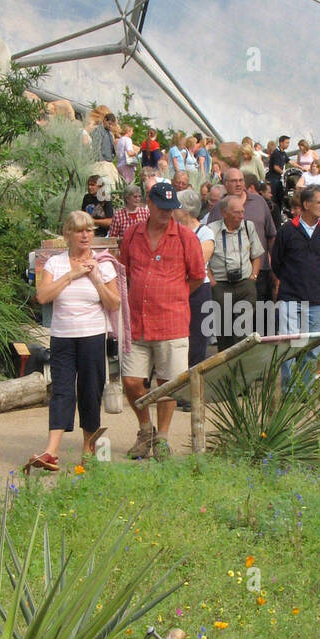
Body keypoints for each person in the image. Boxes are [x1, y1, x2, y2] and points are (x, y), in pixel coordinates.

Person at [28, 210, 121, 471]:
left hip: (92, 335)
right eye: (79, 230)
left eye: (89, 230)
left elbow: (114, 302)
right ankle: (51, 451)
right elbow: (43, 296)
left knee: (90, 391)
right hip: (63, 336)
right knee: (61, 391)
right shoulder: (55, 264)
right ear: (67, 234)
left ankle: (88, 450)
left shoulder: (103, 264)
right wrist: (72, 275)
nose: (85, 235)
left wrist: (94, 279)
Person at [120, 182, 205, 460]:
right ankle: (146, 429)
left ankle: (163, 440)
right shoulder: (132, 234)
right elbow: (127, 271)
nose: (167, 213)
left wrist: (173, 294)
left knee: (167, 383)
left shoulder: (185, 237)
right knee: (131, 381)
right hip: (137, 321)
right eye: (162, 207)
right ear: (149, 203)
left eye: (171, 208)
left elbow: (196, 276)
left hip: (172, 321)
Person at [271, 184, 320, 391]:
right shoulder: (287, 231)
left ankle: (304, 390)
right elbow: (277, 263)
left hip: (315, 298)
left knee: (311, 347)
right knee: (288, 345)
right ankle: (289, 389)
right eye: (319, 202)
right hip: (290, 296)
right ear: (306, 204)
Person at [206, 168, 276, 302]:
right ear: (225, 184)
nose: (238, 184)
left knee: (260, 319)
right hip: (226, 280)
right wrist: (213, 282)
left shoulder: (259, 202)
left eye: (241, 180)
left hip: (259, 272)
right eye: (233, 181)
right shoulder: (218, 208)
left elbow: (271, 235)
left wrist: (275, 270)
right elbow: (208, 243)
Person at [174, 185, 216, 400]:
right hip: (177, 289)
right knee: (179, 341)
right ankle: (181, 391)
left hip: (198, 290)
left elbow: (198, 262)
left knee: (198, 340)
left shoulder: (205, 232)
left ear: (187, 209)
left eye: (177, 206)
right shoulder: (173, 231)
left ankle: (195, 393)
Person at [207, 194, 263, 352]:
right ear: (225, 213)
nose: (241, 216)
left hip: (245, 283)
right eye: (237, 212)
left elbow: (257, 254)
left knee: (243, 332)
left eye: (242, 211)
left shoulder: (248, 226)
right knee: (224, 332)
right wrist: (212, 282)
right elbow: (203, 259)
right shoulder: (211, 230)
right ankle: (226, 371)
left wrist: (253, 277)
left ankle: (242, 369)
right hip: (221, 285)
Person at [109, 182, 149, 248]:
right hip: (125, 249)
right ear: (127, 198)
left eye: (139, 196)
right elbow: (112, 238)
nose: (138, 199)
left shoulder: (146, 213)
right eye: (135, 197)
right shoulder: (118, 215)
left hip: (143, 248)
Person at [267, 135, 291, 213]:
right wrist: (284, 173)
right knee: (274, 199)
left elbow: (290, 161)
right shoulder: (276, 153)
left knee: (280, 198)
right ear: (281, 143)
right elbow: (276, 167)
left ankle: (280, 212)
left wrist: (300, 167)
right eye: (286, 143)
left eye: (288, 143)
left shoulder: (283, 153)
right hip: (273, 179)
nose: (288, 144)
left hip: (279, 179)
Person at [114, 121, 139, 186]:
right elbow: (129, 153)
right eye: (131, 131)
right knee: (129, 186)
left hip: (119, 165)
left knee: (122, 186)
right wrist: (136, 152)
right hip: (127, 165)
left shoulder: (120, 140)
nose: (132, 133)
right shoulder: (128, 140)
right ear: (128, 131)